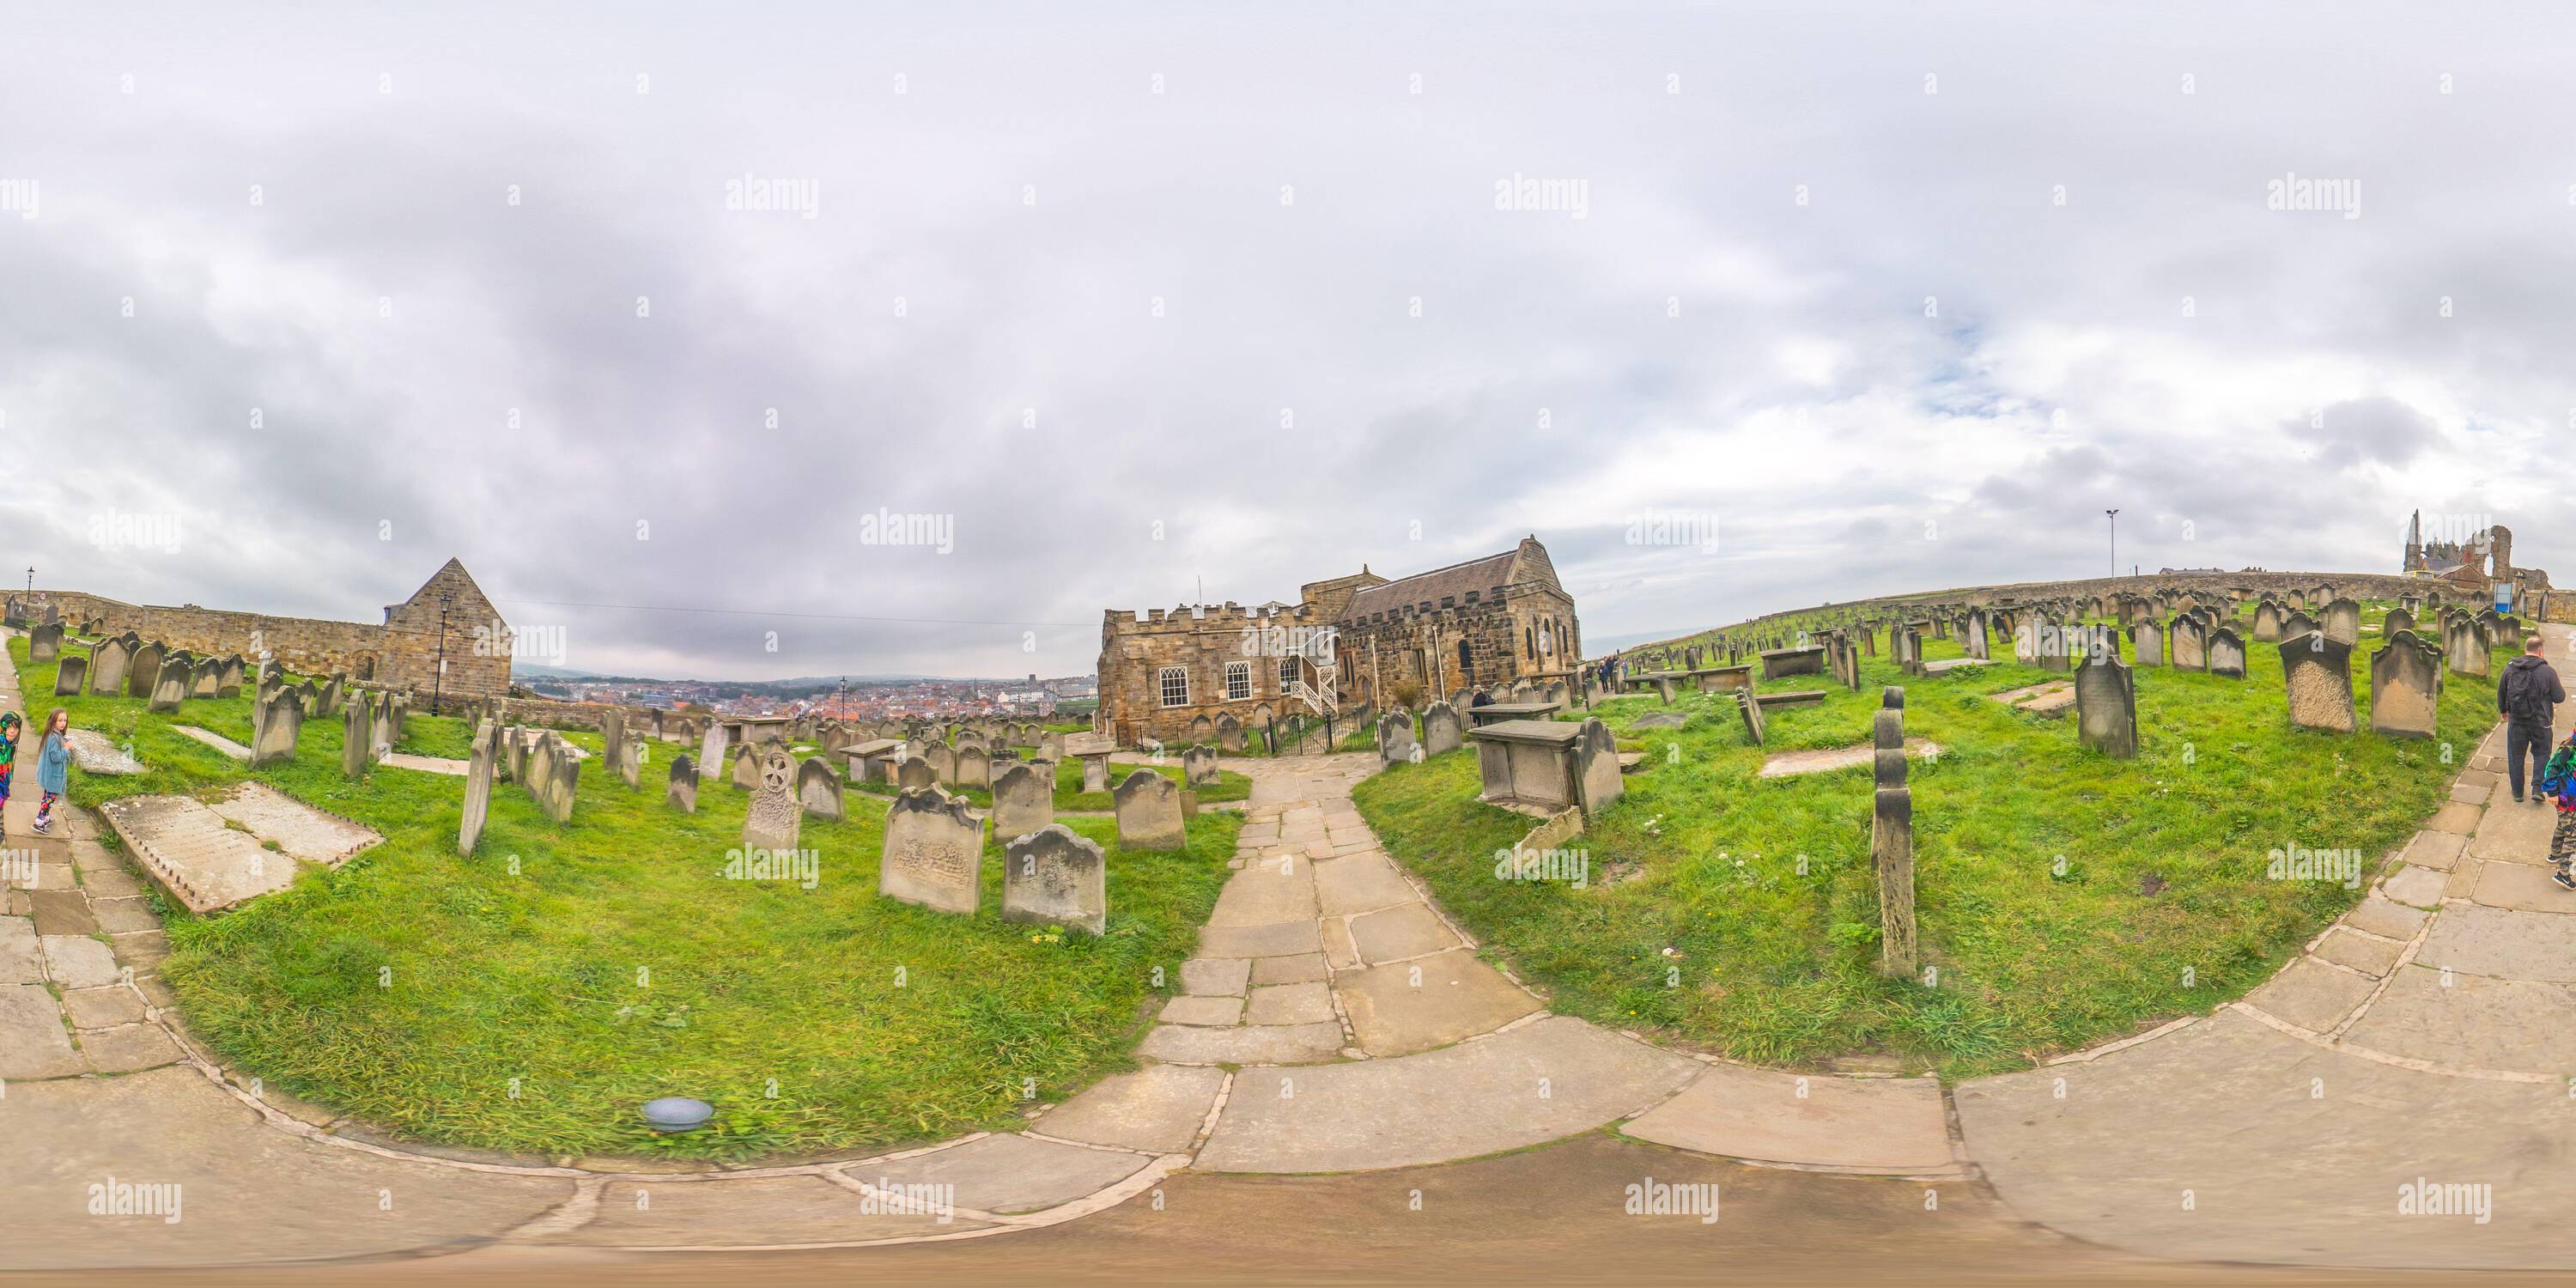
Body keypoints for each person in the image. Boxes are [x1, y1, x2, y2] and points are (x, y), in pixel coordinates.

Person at [2498, 636, 2566, 804]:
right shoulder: (2548, 671)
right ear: (2541, 651)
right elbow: (2559, 697)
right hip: (2541, 723)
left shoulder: (2510, 668)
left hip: (2517, 721)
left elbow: (2501, 690)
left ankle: (2518, 792)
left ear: (2525, 649)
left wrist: (2503, 711)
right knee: (2542, 755)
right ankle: (2537, 788)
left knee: (2516, 756)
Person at [32, 708, 70, 835]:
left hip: (49, 775)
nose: (63, 723)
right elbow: (56, 758)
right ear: (53, 721)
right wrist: (66, 749)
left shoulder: (53, 735)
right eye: (60, 720)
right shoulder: (54, 738)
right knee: (49, 800)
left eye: (65, 720)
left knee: (47, 797)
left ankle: (45, 817)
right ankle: (39, 822)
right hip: (53, 776)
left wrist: (63, 745)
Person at [0, 713, 19, 827]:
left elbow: (8, 768)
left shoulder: (10, 745)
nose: (12, 731)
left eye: (16, 727)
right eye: (9, 727)